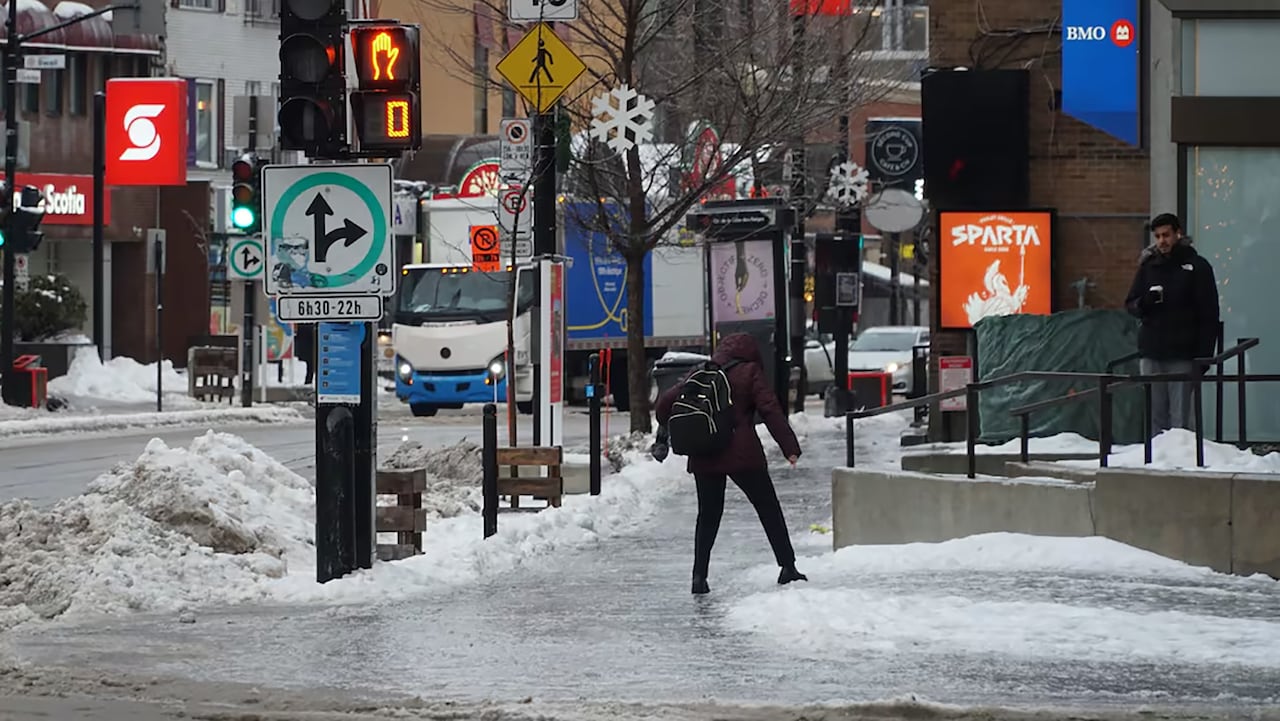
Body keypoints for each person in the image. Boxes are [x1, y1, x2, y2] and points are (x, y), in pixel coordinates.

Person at [655, 333, 806, 595]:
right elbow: (770, 409)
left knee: (708, 516)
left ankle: (699, 577)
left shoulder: (701, 371)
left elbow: (664, 406)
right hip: (742, 454)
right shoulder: (750, 372)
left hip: (704, 453)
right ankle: (788, 566)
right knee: (767, 507)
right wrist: (789, 448)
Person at [1124, 213, 1220, 433]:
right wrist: (1144, 303)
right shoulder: (1148, 266)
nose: (1161, 241)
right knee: (1155, 417)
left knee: (1181, 418)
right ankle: (1158, 459)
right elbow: (1130, 303)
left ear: (1178, 233)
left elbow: (1209, 314)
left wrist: (1204, 356)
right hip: (1152, 349)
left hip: (1182, 351)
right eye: (1157, 236)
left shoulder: (1197, 267)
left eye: (1166, 235)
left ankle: (1182, 461)